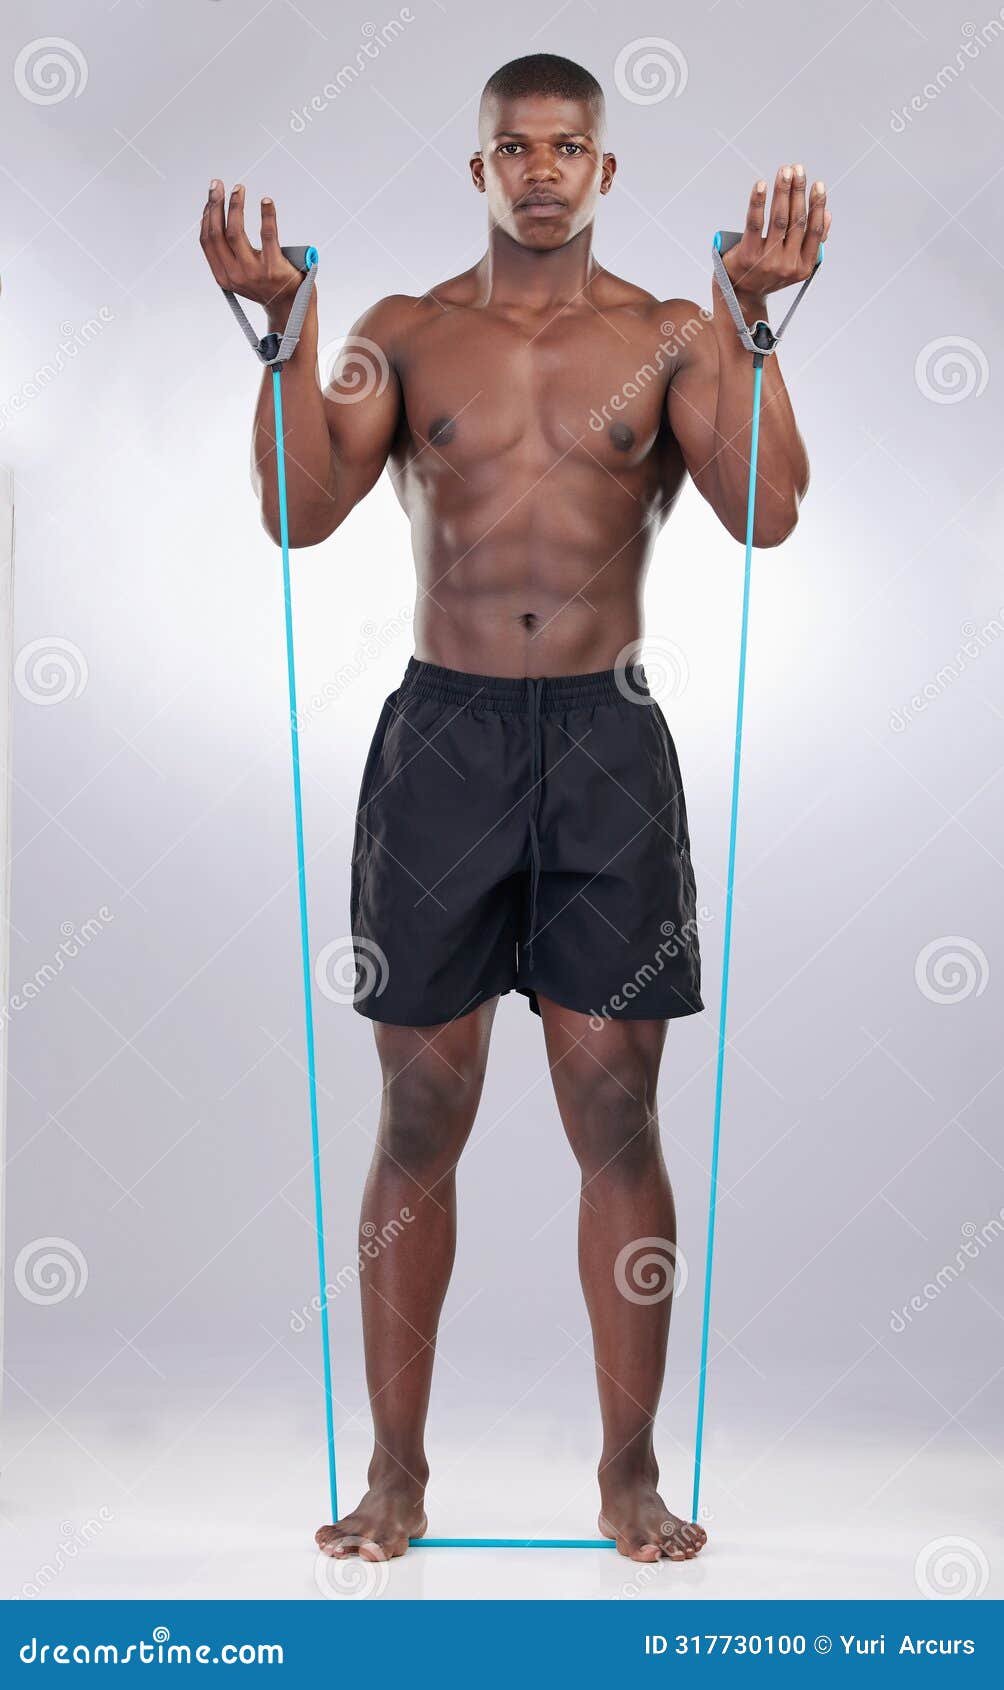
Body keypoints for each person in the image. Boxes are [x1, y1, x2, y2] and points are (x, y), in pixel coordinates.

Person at [199, 51, 829, 1564]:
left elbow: (768, 511)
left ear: (606, 173)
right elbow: (294, 513)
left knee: (617, 1110)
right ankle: (397, 1476)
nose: (540, 167)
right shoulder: (401, 333)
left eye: (568, 146)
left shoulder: (672, 334)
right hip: (443, 741)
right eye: (513, 146)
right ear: (477, 166)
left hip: (607, 747)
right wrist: (282, 332)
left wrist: (753, 320)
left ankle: (628, 1476)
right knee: (422, 1107)